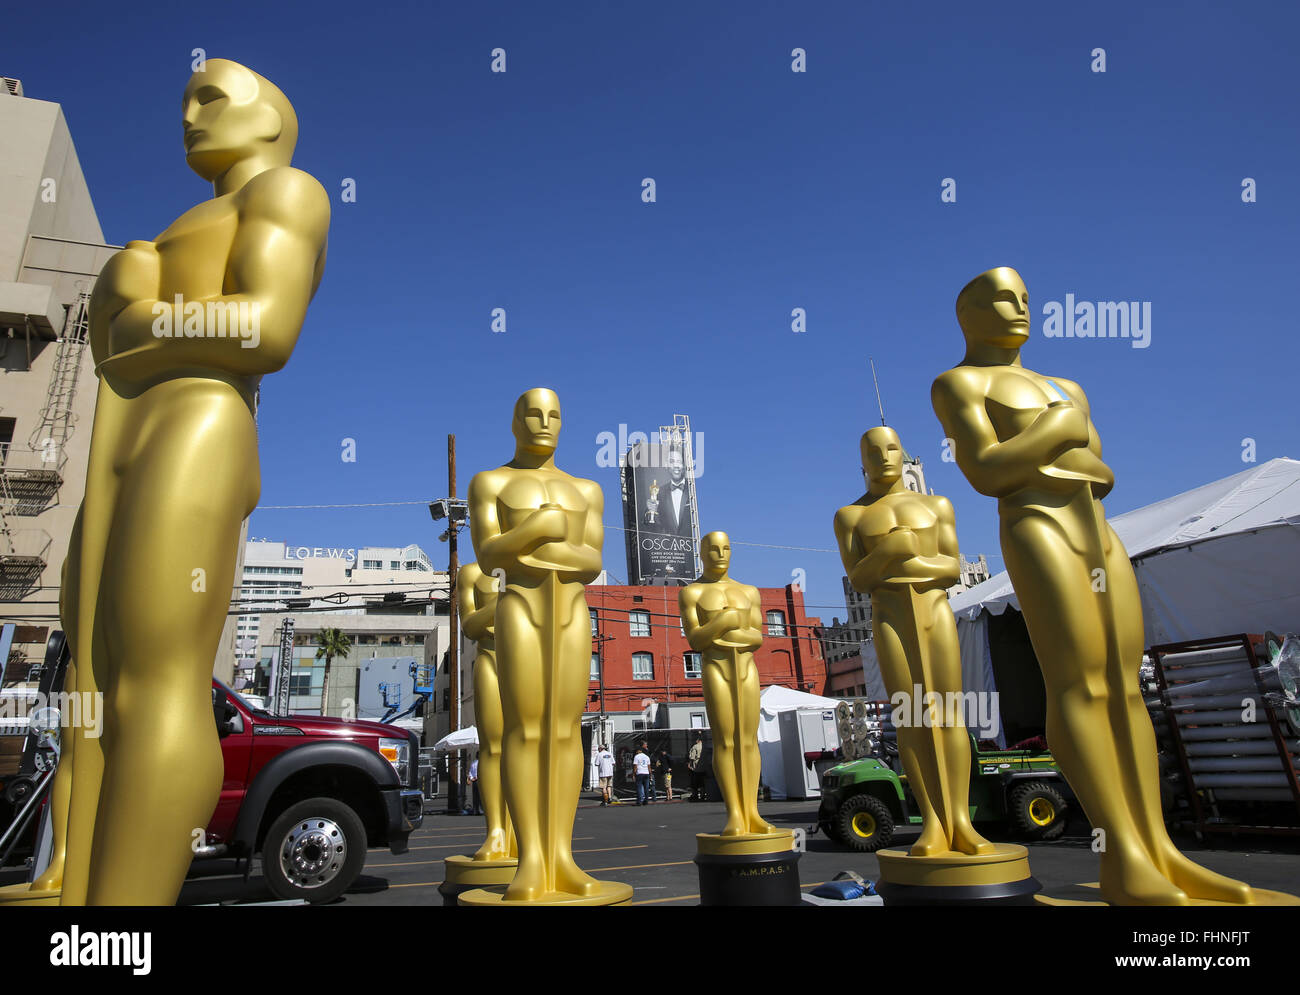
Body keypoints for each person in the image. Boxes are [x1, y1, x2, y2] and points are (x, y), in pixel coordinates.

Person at [596, 742, 614, 806]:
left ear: (600, 749)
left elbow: (596, 763)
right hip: (610, 772)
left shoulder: (599, 754)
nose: (598, 750)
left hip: (603, 773)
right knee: (609, 786)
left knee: (603, 787)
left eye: (598, 749)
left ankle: (605, 801)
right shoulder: (610, 754)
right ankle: (609, 798)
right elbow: (613, 762)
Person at [688, 734, 704, 802]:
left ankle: (695, 795)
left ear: (697, 740)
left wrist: (689, 764)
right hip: (704, 766)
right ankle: (703, 795)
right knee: (702, 783)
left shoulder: (695, 747)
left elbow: (692, 757)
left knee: (695, 783)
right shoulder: (704, 746)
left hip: (696, 767)